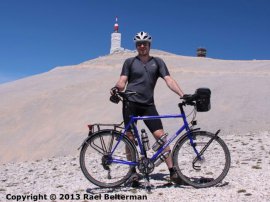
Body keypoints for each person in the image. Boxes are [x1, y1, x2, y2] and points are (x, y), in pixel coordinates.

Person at [111, 31, 186, 187]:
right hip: (130, 103)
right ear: (136, 46)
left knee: (161, 137)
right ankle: (132, 172)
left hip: (148, 105)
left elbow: (169, 80)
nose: (142, 46)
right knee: (130, 137)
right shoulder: (129, 62)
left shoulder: (158, 62)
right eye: (139, 44)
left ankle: (172, 171)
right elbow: (122, 80)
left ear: (149, 45)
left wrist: (182, 94)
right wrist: (117, 88)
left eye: (145, 43)